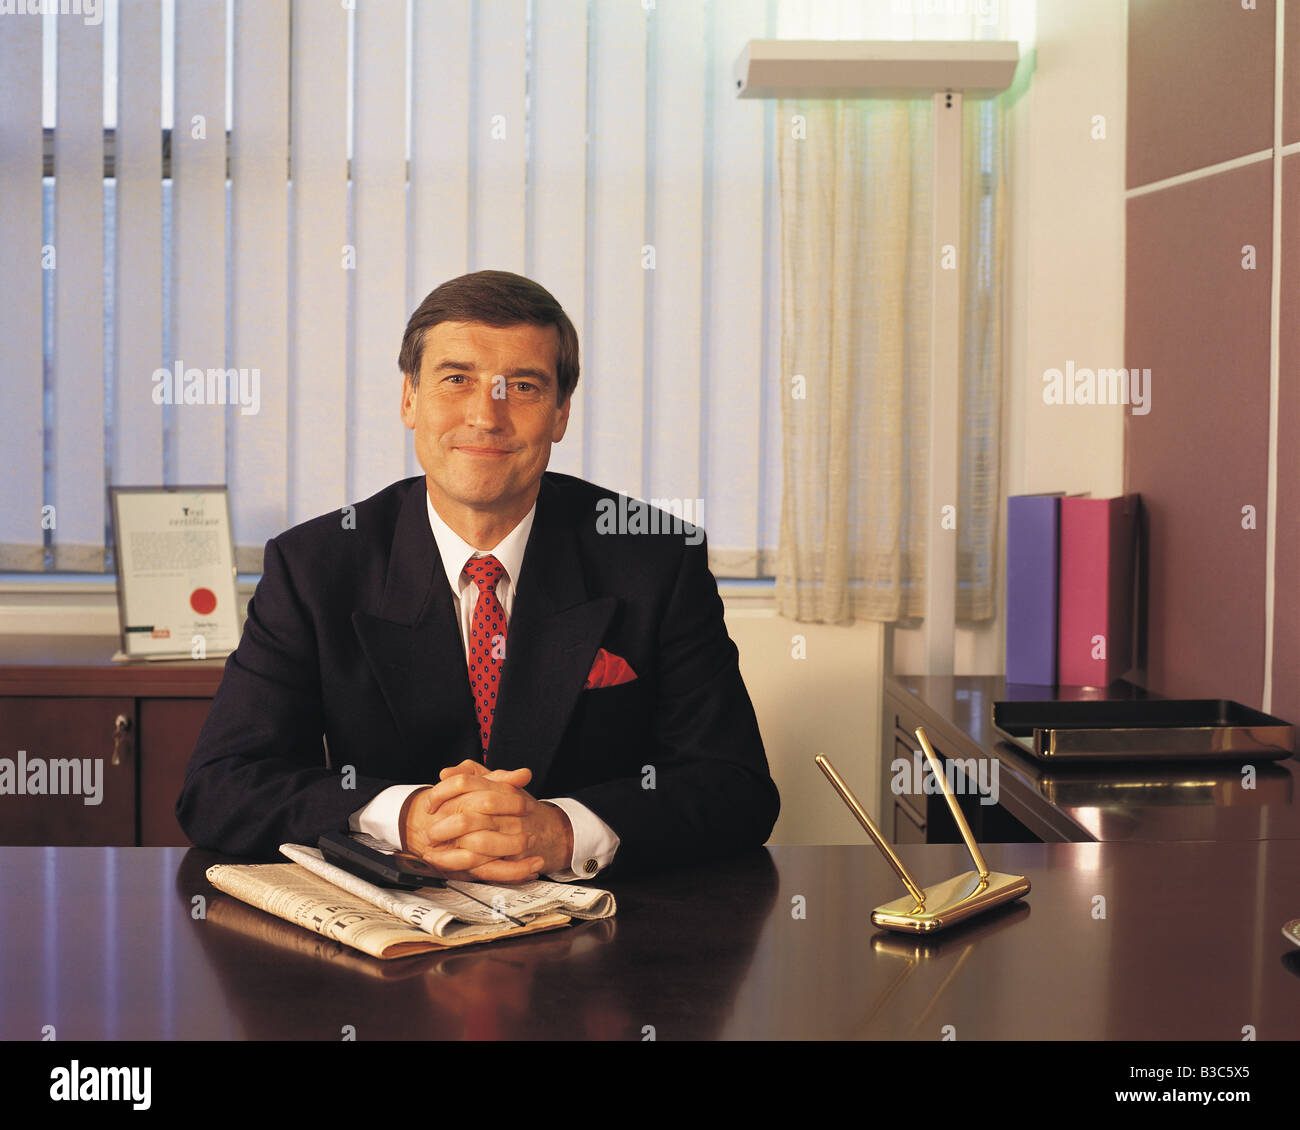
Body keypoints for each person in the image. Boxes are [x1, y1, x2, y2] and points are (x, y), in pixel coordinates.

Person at [176, 270, 779, 880]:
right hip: (388, 947)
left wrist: (564, 829)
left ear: (562, 413)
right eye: (456, 379)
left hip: (604, 941)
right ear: (410, 399)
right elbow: (220, 787)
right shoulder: (312, 567)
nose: (486, 417)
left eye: (521, 386)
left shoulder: (657, 560)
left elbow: (736, 787)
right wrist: (404, 815)